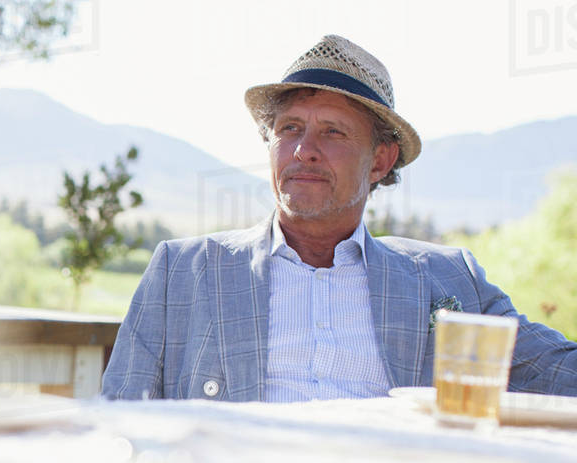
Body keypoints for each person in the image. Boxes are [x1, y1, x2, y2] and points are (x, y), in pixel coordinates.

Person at [101, 34, 577, 402]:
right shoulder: (183, 271)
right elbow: (122, 415)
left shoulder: (449, 279)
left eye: (332, 132)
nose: (304, 150)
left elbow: (560, 372)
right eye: (290, 128)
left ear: (380, 160)